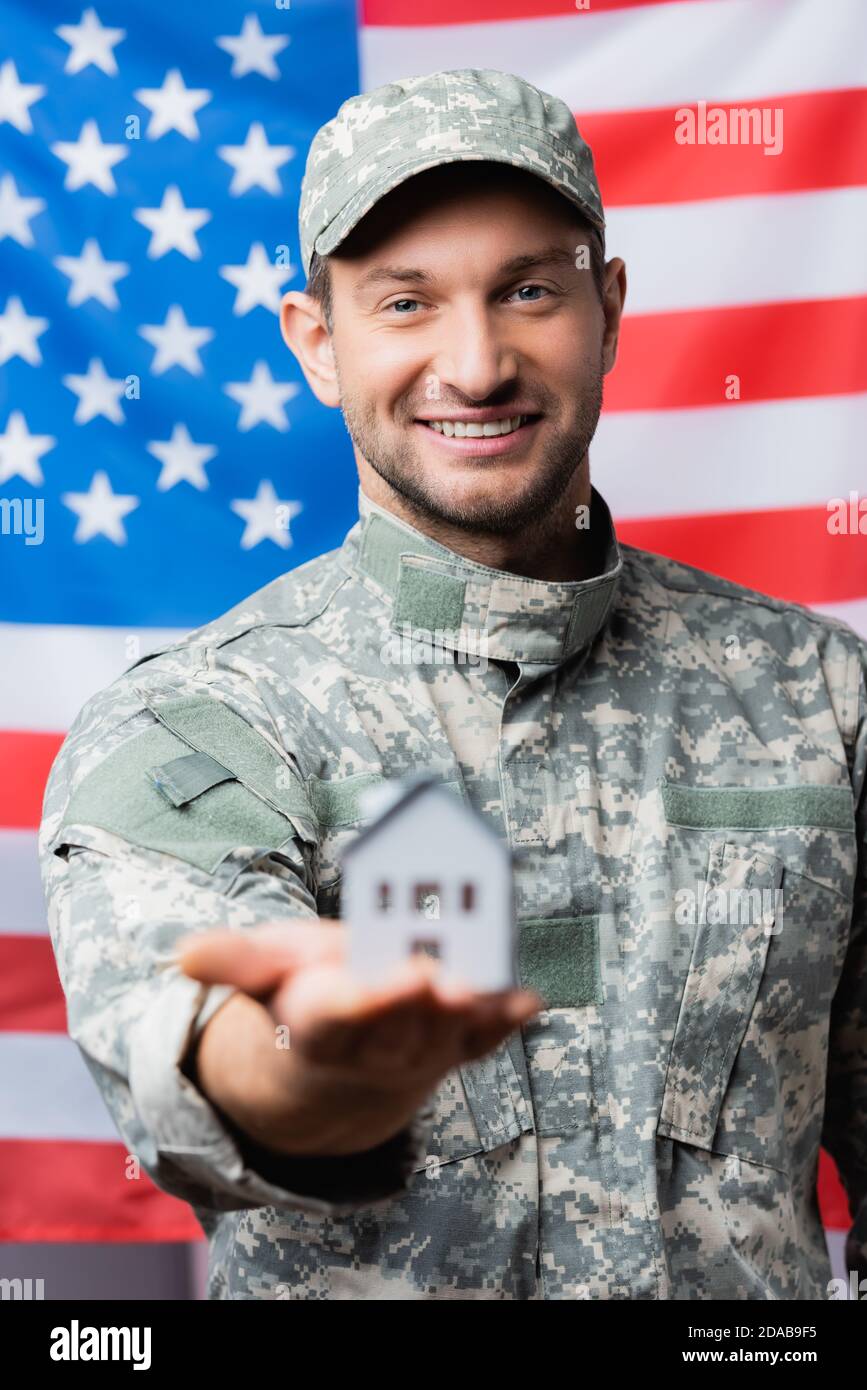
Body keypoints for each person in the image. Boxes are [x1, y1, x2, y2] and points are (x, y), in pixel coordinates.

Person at [39, 67, 866, 1301]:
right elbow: (186, 1033)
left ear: (610, 310)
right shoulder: (200, 721)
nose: (475, 365)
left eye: (529, 290)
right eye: (406, 303)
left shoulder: (824, 696)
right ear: (319, 344)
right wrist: (315, 1077)